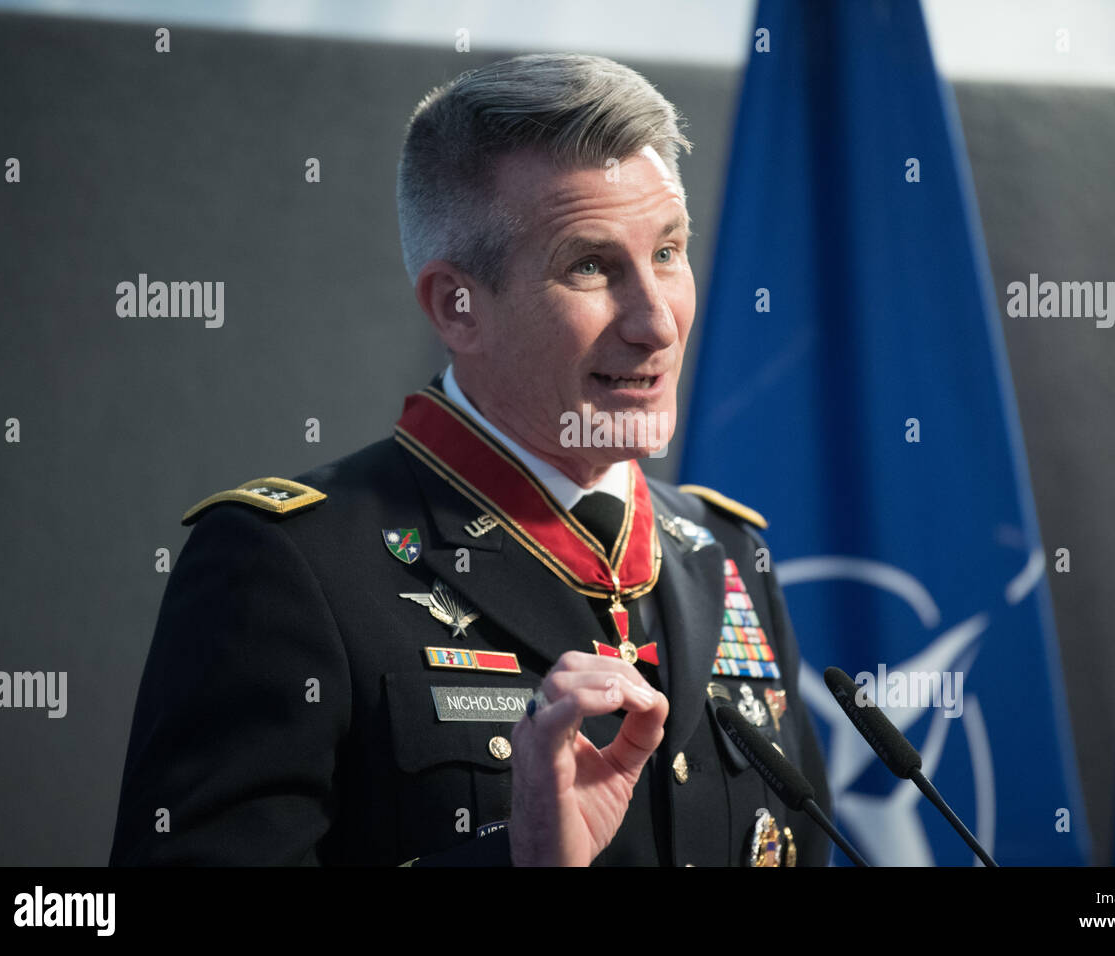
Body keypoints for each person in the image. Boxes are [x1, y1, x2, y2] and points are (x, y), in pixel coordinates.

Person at [109, 53, 830, 867]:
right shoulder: (288, 564)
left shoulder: (726, 552)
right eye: (591, 266)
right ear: (457, 306)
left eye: (668, 251)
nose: (657, 324)